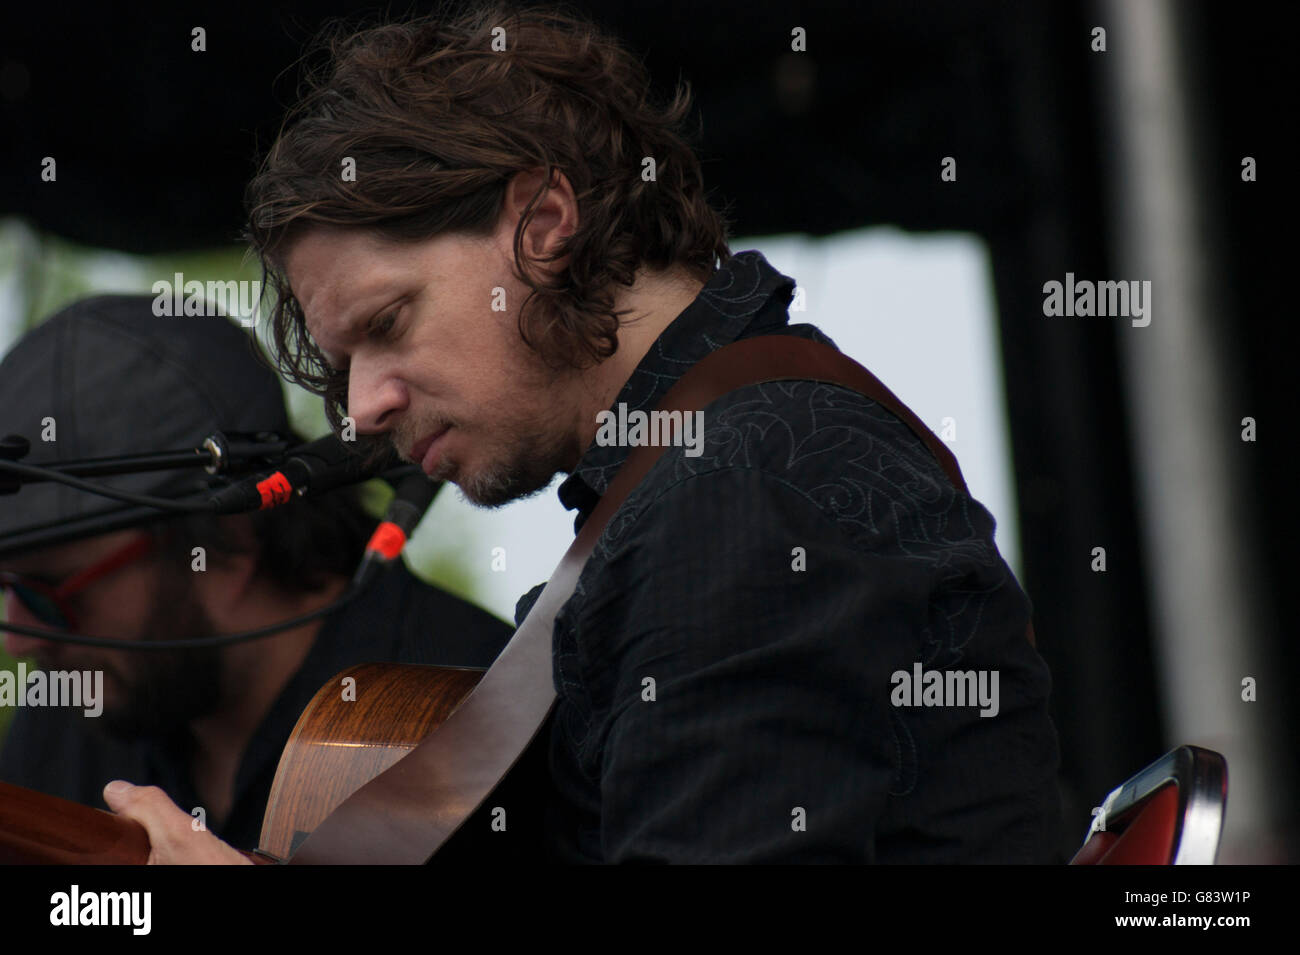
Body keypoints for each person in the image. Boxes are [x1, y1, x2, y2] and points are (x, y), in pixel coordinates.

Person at [106, 3, 1063, 863]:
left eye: (389, 323)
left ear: (545, 222)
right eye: (341, 364)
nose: (360, 408)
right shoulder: (691, 482)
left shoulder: (738, 494)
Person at [0, 294, 514, 850]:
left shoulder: (481, 712)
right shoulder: (72, 723)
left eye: (50, 591)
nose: (18, 638)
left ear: (232, 540)